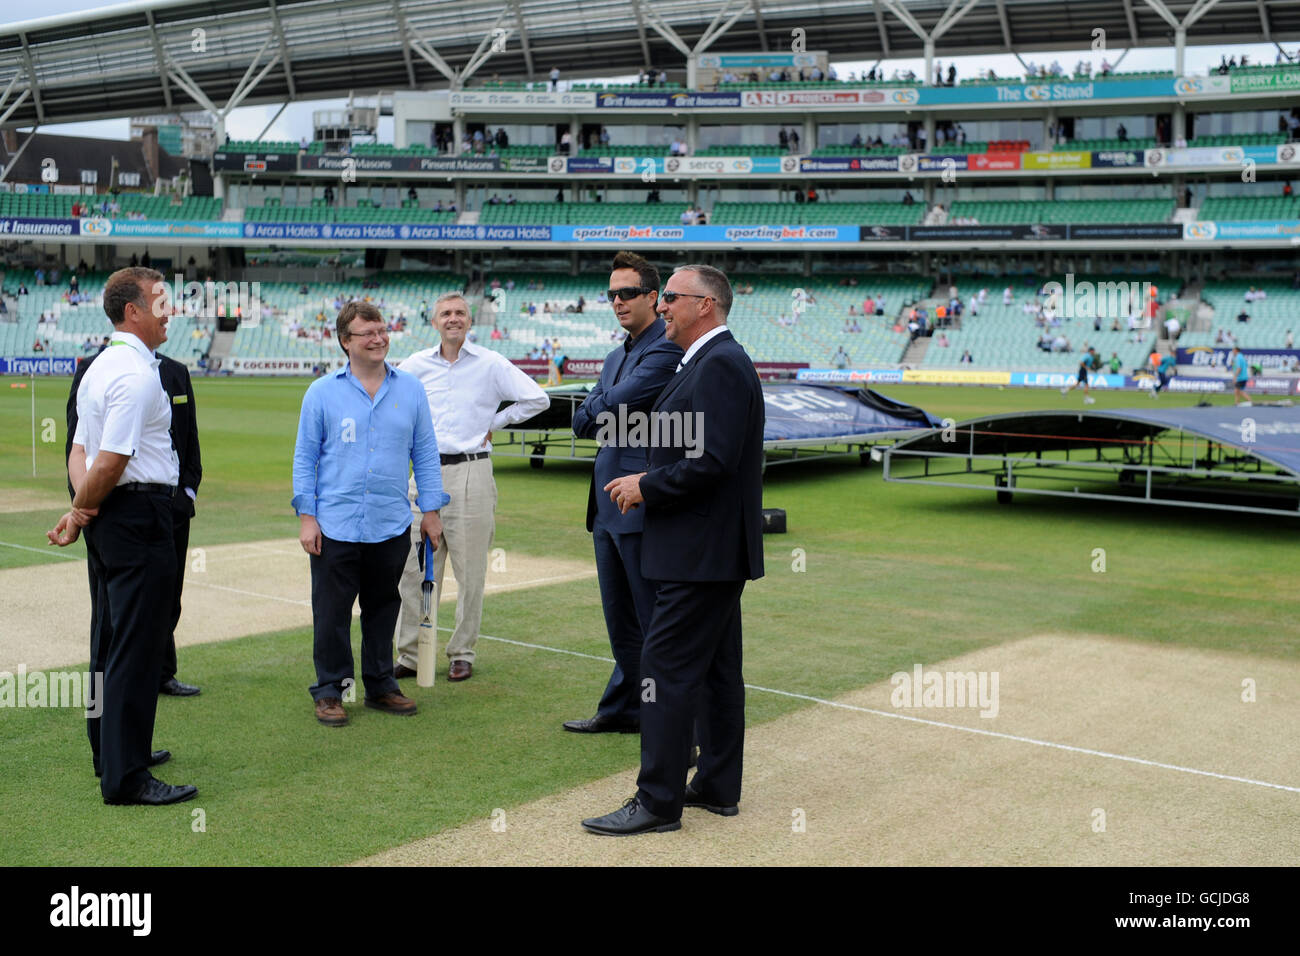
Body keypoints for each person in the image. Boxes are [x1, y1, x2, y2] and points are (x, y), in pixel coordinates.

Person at [583, 264, 764, 836]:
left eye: (670, 297)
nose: (660, 306)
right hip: (706, 549)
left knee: (663, 668)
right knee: (716, 670)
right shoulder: (706, 361)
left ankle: (657, 801)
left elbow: (713, 461)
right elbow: (691, 447)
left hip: (699, 551)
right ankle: (716, 785)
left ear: (704, 304)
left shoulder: (720, 364)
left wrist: (646, 485)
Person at [47, 267, 196, 806]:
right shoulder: (135, 373)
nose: (169, 312)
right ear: (133, 311)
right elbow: (109, 460)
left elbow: (79, 451)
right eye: (160, 303)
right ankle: (127, 775)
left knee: (109, 641)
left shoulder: (99, 368)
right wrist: (80, 509)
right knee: (136, 646)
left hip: (111, 515)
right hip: (137, 515)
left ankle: (109, 753)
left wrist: (82, 509)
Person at [292, 302, 449, 727]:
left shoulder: (411, 389)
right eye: (368, 333)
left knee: (383, 608)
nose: (379, 339)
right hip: (335, 524)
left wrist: (431, 511)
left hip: (390, 522)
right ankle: (332, 690)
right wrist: (307, 516)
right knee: (332, 614)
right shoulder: (321, 393)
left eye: (382, 330)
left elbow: (425, 454)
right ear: (346, 341)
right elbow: (305, 458)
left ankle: (380, 685)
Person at [393, 294, 550, 683]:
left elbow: (538, 398)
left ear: (469, 321)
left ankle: (462, 652)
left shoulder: (490, 363)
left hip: (472, 471)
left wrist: (495, 422)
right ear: (434, 322)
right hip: (425, 474)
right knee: (414, 570)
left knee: (470, 572)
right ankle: (411, 655)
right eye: (446, 313)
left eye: (460, 313)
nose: (453, 319)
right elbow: (390, 402)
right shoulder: (415, 365)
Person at [564, 252, 683, 735]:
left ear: (653, 297)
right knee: (620, 621)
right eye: (612, 294)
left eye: (628, 293)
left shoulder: (666, 348)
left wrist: (601, 405)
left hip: (639, 502)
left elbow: (613, 404)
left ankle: (667, 723)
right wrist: (604, 406)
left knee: (652, 621)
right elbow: (581, 420)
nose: (617, 301)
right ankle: (626, 709)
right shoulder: (616, 356)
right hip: (605, 505)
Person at [67, 346, 204, 698]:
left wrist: (185, 496)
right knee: (110, 615)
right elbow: (77, 445)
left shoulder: (175, 371)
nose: (166, 319)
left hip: (170, 510)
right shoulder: (95, 367)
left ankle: (160, 673)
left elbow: (189, 441)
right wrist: (83, 505)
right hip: (112, 512)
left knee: (167, 600)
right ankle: (107, 695)